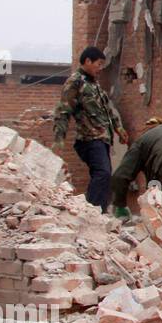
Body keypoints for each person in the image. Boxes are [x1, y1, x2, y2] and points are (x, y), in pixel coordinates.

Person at [53, 46, 128, 210]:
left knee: (104, 177)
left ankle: (98, 211)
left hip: (102, 140)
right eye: (98, 64)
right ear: (87, 61)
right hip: (89, 140)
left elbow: (108, 110)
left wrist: (119, 129)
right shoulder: (76, 82)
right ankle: (91, 211)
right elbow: (63, 110)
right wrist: (59, 139)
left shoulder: (95, 85)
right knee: (103, 174)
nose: (100, 69)